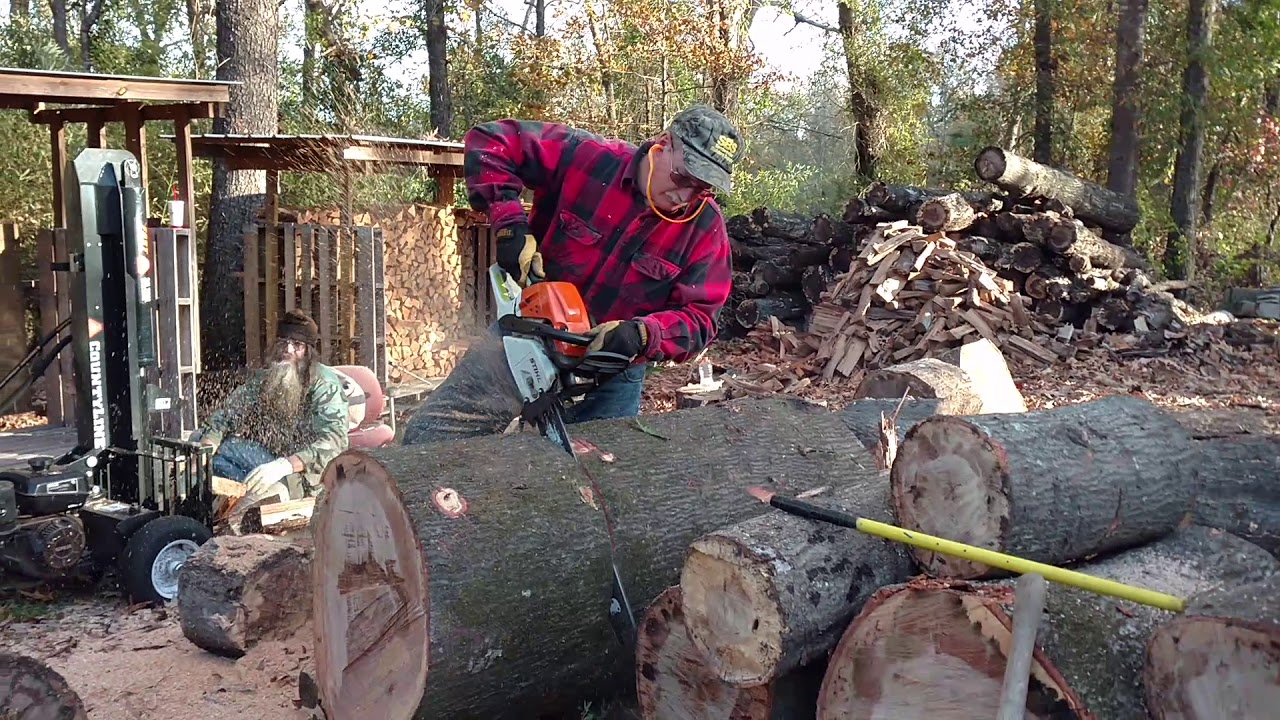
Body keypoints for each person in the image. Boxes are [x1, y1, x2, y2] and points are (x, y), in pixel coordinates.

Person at [401, 104, 743, 445]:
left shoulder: (705, 228)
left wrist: (642, 334)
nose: (684, 196)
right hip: (527, 335)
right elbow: (491, 141)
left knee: (601, 471)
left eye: (701, 188)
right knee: (430, 438)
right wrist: (509, 222)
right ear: (664, 143)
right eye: (682, 177)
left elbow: (701, 318)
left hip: (609, 373)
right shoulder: (588, 158)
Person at [193, 310, 350, 502]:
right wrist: (205, 450)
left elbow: (335, 441)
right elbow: (226, 416)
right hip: (269, 461)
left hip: (307, 476)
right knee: (204, 448)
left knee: (259, 498)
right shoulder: (267, 378)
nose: (288, 350)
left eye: (297, 345)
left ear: (308, 352)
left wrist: (285, 466)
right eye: (284, 342)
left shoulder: (324, 384)